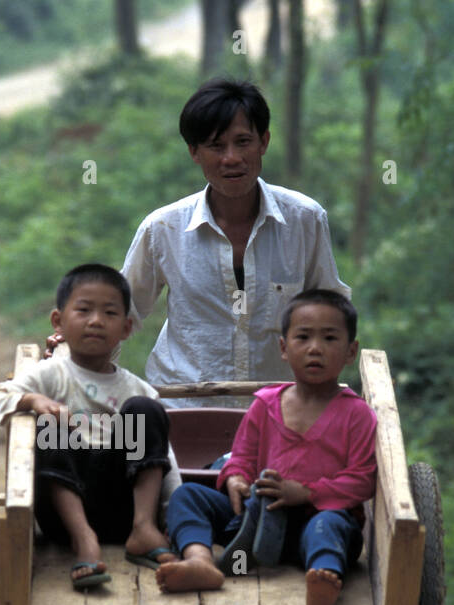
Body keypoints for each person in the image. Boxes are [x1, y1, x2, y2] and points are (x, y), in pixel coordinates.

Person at [143, 289, 377, 605]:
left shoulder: (358, 415)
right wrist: (233, 479)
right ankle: (197, 559)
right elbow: (240, 459)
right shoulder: (267, 403)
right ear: (283, 348)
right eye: (303, 337)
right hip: (251, 524)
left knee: (331, 525)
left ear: (350, 352)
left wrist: (306, 492)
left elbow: (362, 479)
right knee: (189, 497)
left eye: (329, 338)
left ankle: (323, 579)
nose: (315, 348)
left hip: (314, 527)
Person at [46, 78, 350, 408]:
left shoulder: (305, 220)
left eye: (243, 141)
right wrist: (76, 347)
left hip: (279, 414)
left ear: (263, 142)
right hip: (182, 407)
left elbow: (330, 312)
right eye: (216, 147)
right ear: (195, 152)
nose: (231, 158)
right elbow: (124, 309)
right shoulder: (162, 229)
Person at [0, 264, 179, 588]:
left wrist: (173, 519)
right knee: (50, 424)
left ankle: (143, 528)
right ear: (59, 322)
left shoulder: (138, 389)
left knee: (145, 410)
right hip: (64, 511)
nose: (96, 321)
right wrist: (32, 401)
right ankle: (84, 540)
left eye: (109, 313)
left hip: (124, 505)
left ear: (125, 328)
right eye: (83, 310)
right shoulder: (51, 374)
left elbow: (165, 460)